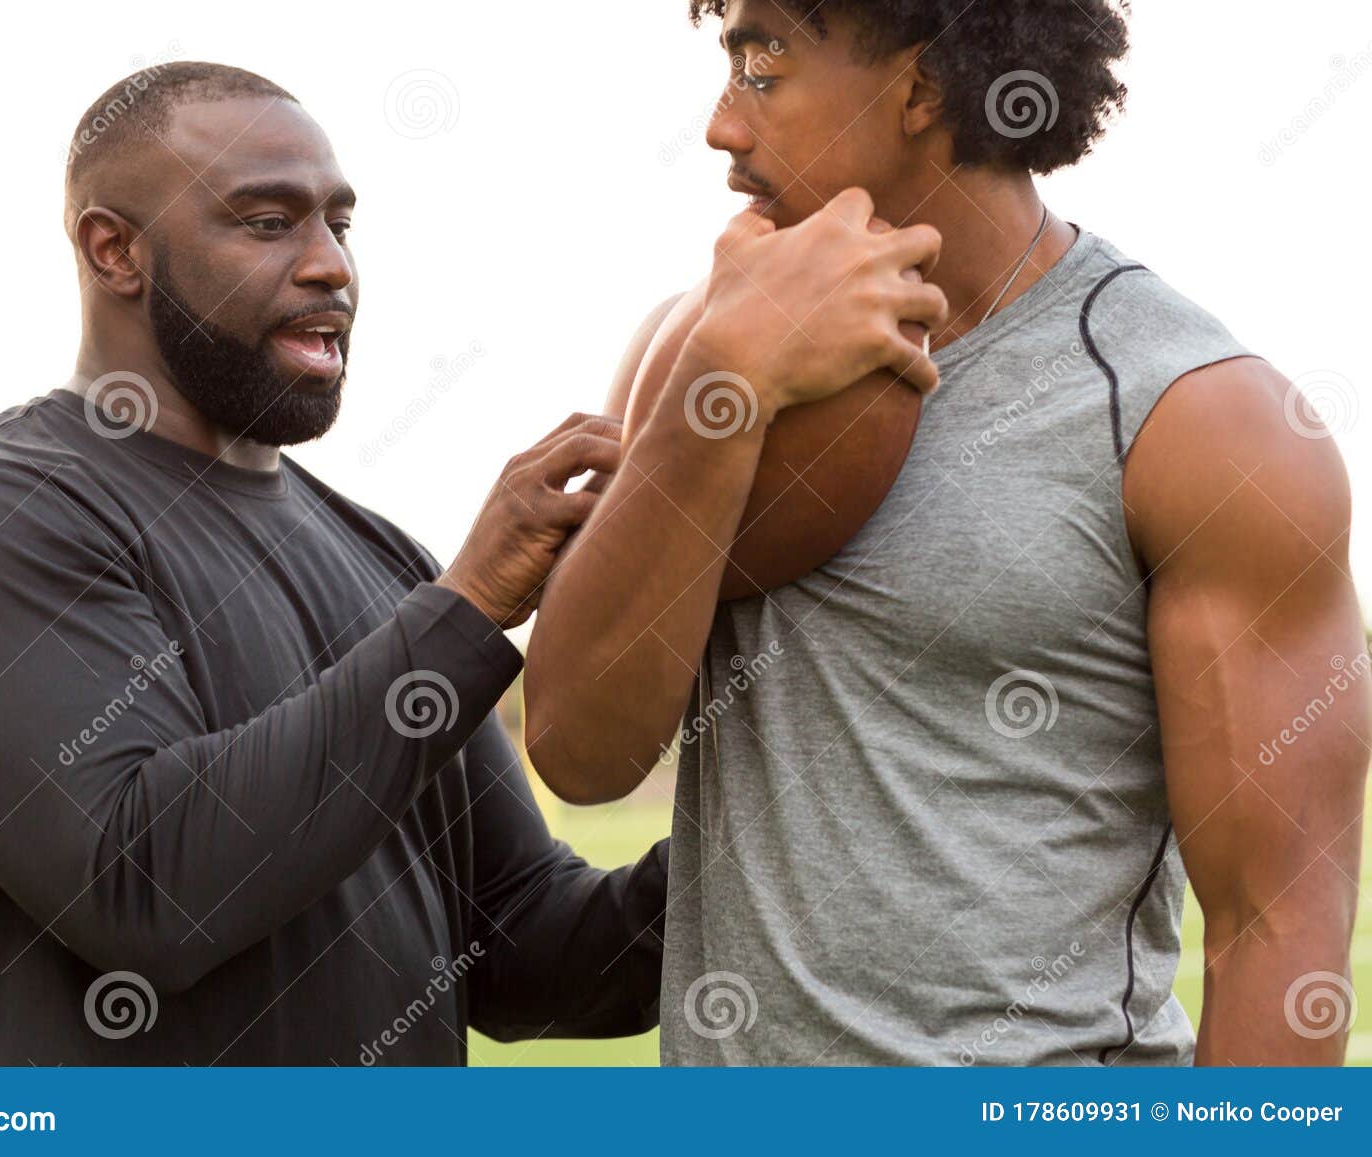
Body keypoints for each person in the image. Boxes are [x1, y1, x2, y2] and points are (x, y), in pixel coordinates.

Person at [0, 61, 939, 1064]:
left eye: (339, 223)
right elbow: (147, 887)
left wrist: (806, 824)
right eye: (265, 222)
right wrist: (467, 604)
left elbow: (527, 951)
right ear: (113, 248)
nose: (329, 266)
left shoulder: (375, 555)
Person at [525, 0, 1368, 1066]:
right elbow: (579, 748)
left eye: (761, 67)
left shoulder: (1196, 419)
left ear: (922, 88)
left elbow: (1277, 926)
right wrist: (718, 380)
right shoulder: (689, 350)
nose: (720, 127)